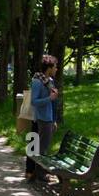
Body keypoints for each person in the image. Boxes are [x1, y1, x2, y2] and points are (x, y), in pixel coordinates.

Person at [27, 54, 59, 183]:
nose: (56, 69)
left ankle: (39, 172)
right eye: (55, 66)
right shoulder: (37, 82)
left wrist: (54, 120)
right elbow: (34, 101)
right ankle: (39, 173)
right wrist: (49, 98)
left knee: (43, 146)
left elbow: (53, 104)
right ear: (49, 67)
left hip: (48, 118)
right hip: (42, 118)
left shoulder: (49, 81)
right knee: (41, 147)